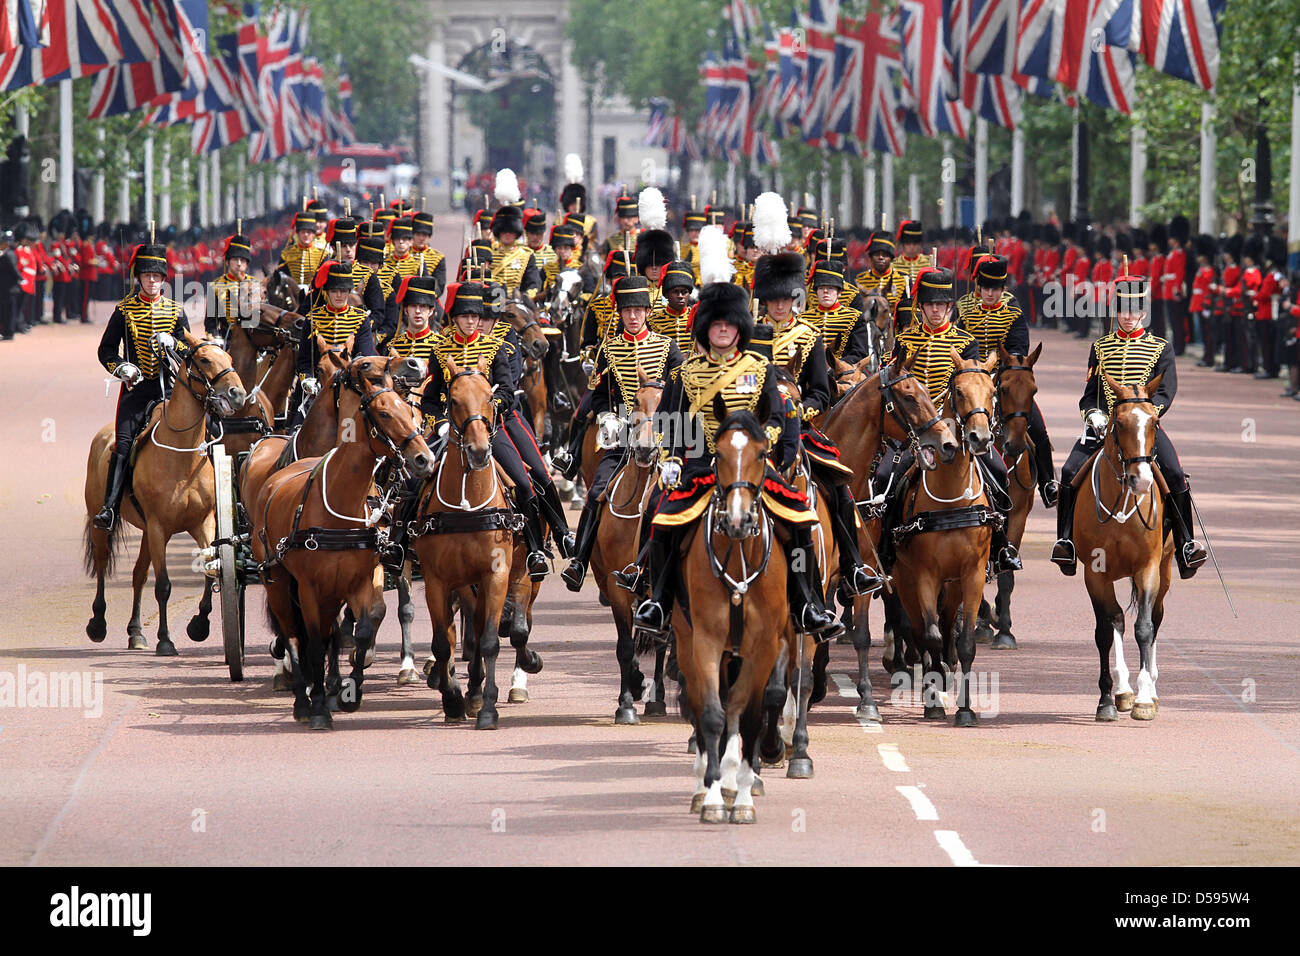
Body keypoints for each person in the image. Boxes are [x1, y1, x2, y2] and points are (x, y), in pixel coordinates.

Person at [631, 280, 844, 644]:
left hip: (751, 466)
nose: (724, 329)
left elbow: (779, 418)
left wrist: (761, 446)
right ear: (707, 329)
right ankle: (658, 601)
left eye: (729, 324)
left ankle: (807, 602)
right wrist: (671, 460)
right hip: (700, 465)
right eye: (717, 324)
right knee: (660, 512)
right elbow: (669, 422)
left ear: (739, 328)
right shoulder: (685, 374)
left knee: (800, 518)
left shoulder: (760, 370)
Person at [1051, 274, 1208, 579]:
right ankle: (1066, 541)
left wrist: (1144, 417)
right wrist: (1094, 416)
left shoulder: (1160, 348)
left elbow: (1165, 392)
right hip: (1104, 428)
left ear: (1143, 314)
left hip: (1143, 427)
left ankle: (1187, 544)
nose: (1127, 316)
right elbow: (1089, 396)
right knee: (1069, 472)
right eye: (1122, 310)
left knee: (1174, 474)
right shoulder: (1101, 347)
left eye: (1133, 311)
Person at [876, 267, 1023, 574]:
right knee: (886, 477)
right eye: (930, 304)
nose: (935, 310)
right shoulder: (906, 339)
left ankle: (1001, 548)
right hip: (912, 428)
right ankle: (886, 551)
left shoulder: (965, 341)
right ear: (921, 307)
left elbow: (971, 382)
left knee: (997, 472)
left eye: (941, 305)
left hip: (952, 425)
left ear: (949, 307)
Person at [752, 252, 882, 597]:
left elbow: (821, 394)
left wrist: (797, 412)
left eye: (784, 299)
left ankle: (853, 565)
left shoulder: (809, 336)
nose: (779, 306)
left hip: (798, 429)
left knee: (838, 482)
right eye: (773, 299)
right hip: (752, 431)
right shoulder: (748, 335)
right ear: (765, 300)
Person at [419, 281, 553, 581]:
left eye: (475, 316)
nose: (470, 321)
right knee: (414, 480)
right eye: (464, 315)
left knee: (523, 482)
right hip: (451, 430)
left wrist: (490, 412)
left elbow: (507, 389)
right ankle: (402, 542)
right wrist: (438, 424)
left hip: (490, 429)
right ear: (454, 317)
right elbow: (430, 399)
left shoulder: (495, 348)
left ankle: (535, 547)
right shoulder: (441, 351)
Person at [562, 275, 683, 590]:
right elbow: (599, 395)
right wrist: (606, 416)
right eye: (627, 310)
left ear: (646, 311)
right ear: (620, 313)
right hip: (623, 436)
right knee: (597, 490)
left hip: (662, 435)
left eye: (638, 310)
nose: (633, 316)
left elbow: (682, 392)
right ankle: (579, 560)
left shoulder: (668, 348)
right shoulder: (610, 349)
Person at [93, 242, 189, 531]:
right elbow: (106, 350)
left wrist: (175, 343)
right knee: (122, 445)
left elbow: (188, 350)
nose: (151, 280)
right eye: (146, 275)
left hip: (169, 391)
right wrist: (122, 367)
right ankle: (109, 507)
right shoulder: (124, 311)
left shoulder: (175, 311)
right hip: (136, 391)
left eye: (156, 276)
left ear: (163, 279)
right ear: (138, 277)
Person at [955, 254, 1059, 507]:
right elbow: (959, 345)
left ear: (1003, 289)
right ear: (979, 288)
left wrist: (1000, 371)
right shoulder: (966, 314)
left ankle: (1047, 482)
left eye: (996, 289)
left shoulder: (1014, 315)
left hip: (1004, 383)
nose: (991, 293)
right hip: (974, 382)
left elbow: (1018, 350)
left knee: (1037, 428)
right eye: (986, 288)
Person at [206, 230, 254, 338]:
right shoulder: (216, 285)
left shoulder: (255, 284)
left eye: (242, 260)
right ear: (227, 261)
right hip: (227, 338)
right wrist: (214, 337)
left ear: (247, 263)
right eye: (235, 259)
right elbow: (211, 322)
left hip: (252, 340)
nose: (239, 264)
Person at [647, 259, 696, 354]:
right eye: (675, 292)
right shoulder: (653, 321)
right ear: (666, 294)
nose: (680, 296)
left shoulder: (696, 317)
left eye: (684, 292)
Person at [854, 230, 908, 313]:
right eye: (876, 254)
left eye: (885, 255)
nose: (881, 258)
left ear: (891, 258)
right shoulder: (861, 280)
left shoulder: (903, 279)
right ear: (871, 257)